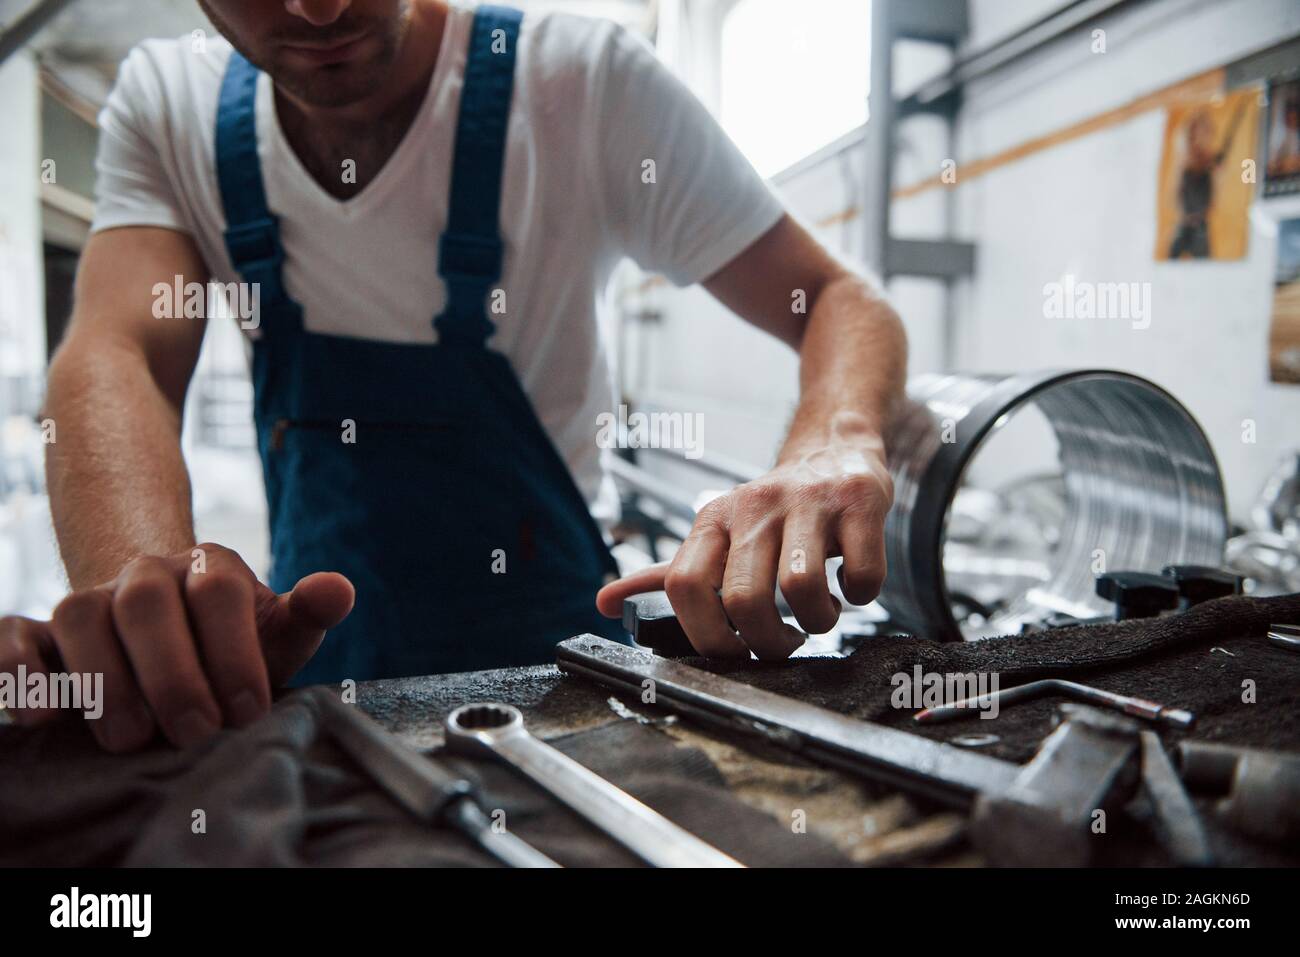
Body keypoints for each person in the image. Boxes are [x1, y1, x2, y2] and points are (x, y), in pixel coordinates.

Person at [1, 0, 904, 753]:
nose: (318, 8)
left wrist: (833, 438)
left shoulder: (581, 85)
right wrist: (141, 587)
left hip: (567, 678)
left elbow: (835, 297)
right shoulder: (171, 106)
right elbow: (123, 351)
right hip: (311, 660)